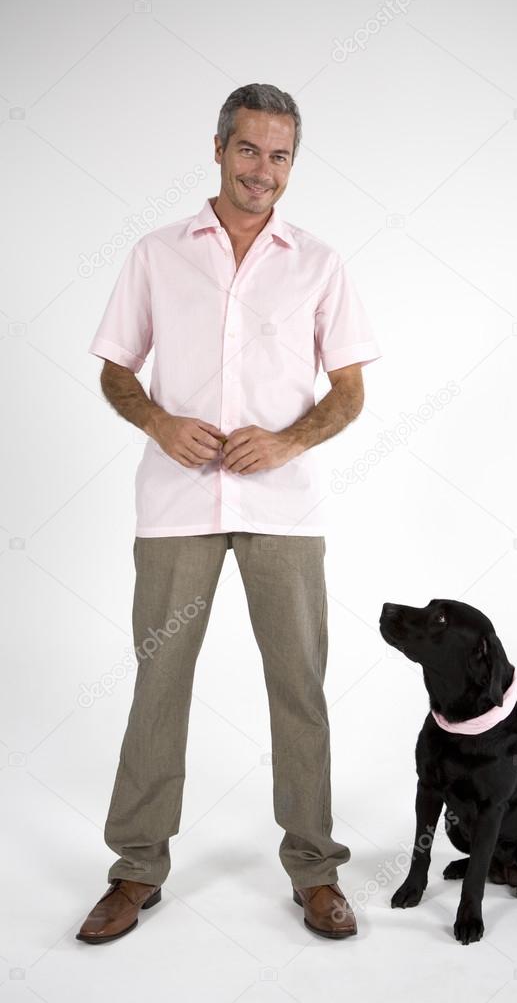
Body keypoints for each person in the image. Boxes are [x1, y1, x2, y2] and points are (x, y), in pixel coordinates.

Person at [76, 83, 382, 945]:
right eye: (249, 150)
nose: (263, 171)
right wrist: (157, 419)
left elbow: (351, 392)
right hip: (175, 503)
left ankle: (315, 870)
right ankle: (136, 869)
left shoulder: (318, 262)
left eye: (280, 155)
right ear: (217, 148)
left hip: (284, 508)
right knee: (157, 688)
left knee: (300, 689)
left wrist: (286, 442)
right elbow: (115, 369)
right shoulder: (156, 253)